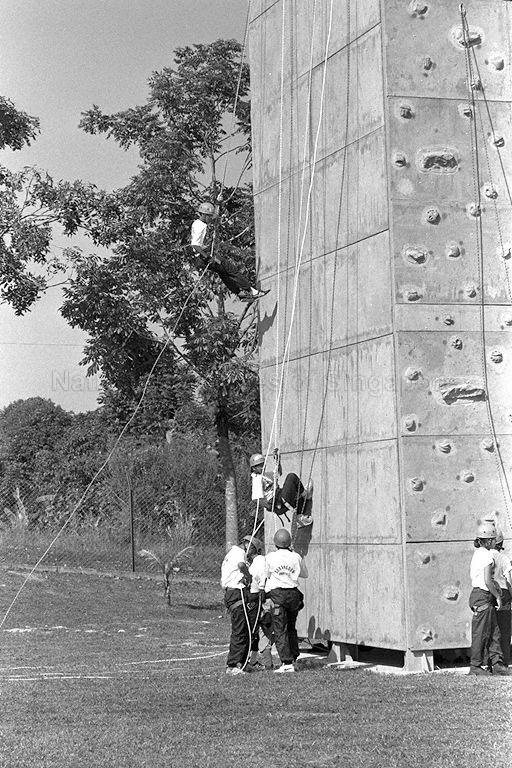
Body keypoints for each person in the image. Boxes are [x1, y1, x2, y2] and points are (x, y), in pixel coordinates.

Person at [190, 202, 268, 301]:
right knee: (231, 269)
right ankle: (253, 291)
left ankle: (241, 295)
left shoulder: (199, 223)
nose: (211, 219)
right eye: (209, 216)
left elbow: (215, 218)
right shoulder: (199, 226)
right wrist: (207, 257)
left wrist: (218, 202)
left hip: (205, 255)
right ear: (204, 215)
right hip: (205, 256)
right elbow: (195, 245)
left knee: (224, 273)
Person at [468, 522, 511, 676]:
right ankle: (475, 666)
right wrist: (498, 596)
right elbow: (487, 580)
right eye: (493, 539)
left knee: (494, 631)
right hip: (484, 595)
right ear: (489, 541)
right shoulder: (486, 555)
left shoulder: (478, 553)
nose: (495, 542)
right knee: (481, 633)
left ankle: (497, 664)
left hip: (482, 596)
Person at [265, 528, 308, 673]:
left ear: (275, 543)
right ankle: (294, 657)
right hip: (293, 594)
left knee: (280, 628)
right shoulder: (296, 556)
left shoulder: (270, 557)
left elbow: (267, 574)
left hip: (278, 594)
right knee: (291, 626)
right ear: (289, 542)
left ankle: (286, 662)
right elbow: (304, 574)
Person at [221, 534, 264, 675]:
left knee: (245, 630)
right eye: (254, 551)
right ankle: (232, 665)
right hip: (236, 593)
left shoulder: (232, 552)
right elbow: (240, 566)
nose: (252, 556)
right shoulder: (239, 553)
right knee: (240, 631)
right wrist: (249, 576)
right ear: (249, 546)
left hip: (233, 592)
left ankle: (243, 663)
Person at [250, 451, 313, 527]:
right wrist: (272, 507)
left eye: (263, 464)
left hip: (280, 496)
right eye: (260, 465)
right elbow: (256, 499)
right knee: (291, 477)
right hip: (277, 502)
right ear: (254, 468)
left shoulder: (266, 475)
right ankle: (306, 494)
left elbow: (279, 472)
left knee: (295, 490)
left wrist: (277, 460)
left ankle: (300, 518)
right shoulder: (256, 480)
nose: (263, 466)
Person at [246, 539, 275, 671]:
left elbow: (261, 579)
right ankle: (252, 660)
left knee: (262, 630)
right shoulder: (252, 563)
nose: (246, 548)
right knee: (255, 631)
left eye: (249, 546)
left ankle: (268, 663)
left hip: (261, 600)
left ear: (256, 549)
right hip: (255, 599)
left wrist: (261, 593)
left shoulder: (260, 561)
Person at [492, 528, 512, 666]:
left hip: (488, 593)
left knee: (492, 628)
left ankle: (492, 660)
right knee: (504, 629)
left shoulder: (484, 556)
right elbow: (509, 580)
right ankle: (504, 659)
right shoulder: (503, 558)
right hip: (503, 594)